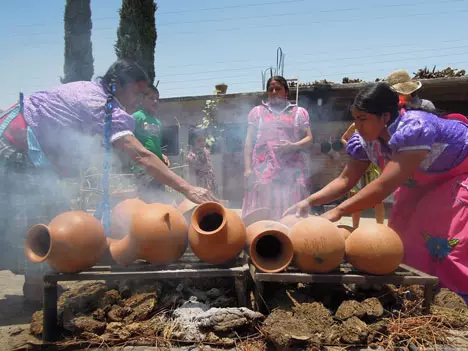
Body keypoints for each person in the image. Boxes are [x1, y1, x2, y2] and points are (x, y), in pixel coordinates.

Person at [0, 59, 216, 304]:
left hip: (14, 135)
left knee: (48, 213)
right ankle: (37, 291)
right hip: (14, 144)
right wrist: (187, 188)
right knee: (36, 216)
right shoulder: (103, 105)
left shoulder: (91, 90)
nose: (139, 99)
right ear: (119, 85)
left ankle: (36, 287)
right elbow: (142, 155)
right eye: (138, 92)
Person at [285, 82, 468, 302]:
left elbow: (383, 187)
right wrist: (309, 201)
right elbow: (345, 180)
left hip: (457, 176)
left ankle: (453, 301)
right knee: (399, 234)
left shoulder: (414, 129)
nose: (357, 126)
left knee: (439, 236)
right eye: (355, 118)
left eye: (363, 119)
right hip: (421, 182)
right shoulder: (366, 141)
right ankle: (417, 292)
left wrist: (338, 211)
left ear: (385, 117)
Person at [242, 75, 313, 220]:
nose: (274, 92)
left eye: (278, 89)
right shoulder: (257, 112)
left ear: (286, 92)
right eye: (271, 89)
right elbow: (248, 140)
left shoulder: (299, 113)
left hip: (291, 170)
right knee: (262, 207)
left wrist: (293, 146)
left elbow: (309, 138)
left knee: (290, 206)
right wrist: (248, 168)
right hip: (263, 169)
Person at [131, 85, 171, 202]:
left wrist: (162, 155)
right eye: (151, 98)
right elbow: (128, 139)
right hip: (144, 167)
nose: (155, 101)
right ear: (142, 100)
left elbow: (154, 143)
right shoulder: (137, 117)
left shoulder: (157, 121)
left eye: (157, 99)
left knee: (160, 196)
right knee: (147, 198)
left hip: (158, 165)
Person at [340, 122, 385, 228]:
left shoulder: (377, 125)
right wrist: (351, 148)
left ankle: (381, 227)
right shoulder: (355, 125)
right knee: (356, 198)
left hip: (373, 167)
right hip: (357, 168)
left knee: (377, 198)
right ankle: (355, 228)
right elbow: (344, 138)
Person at [186, 128, 219, 197]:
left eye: (204, 140)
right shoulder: (191, 157)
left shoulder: (205, 151)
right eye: (199, 141)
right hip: (200, 186)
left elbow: (210, 166)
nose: (202, 143)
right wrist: (194, 190)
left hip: (210, 182)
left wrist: (214, 180)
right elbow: (191, 175)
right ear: (192, 142)